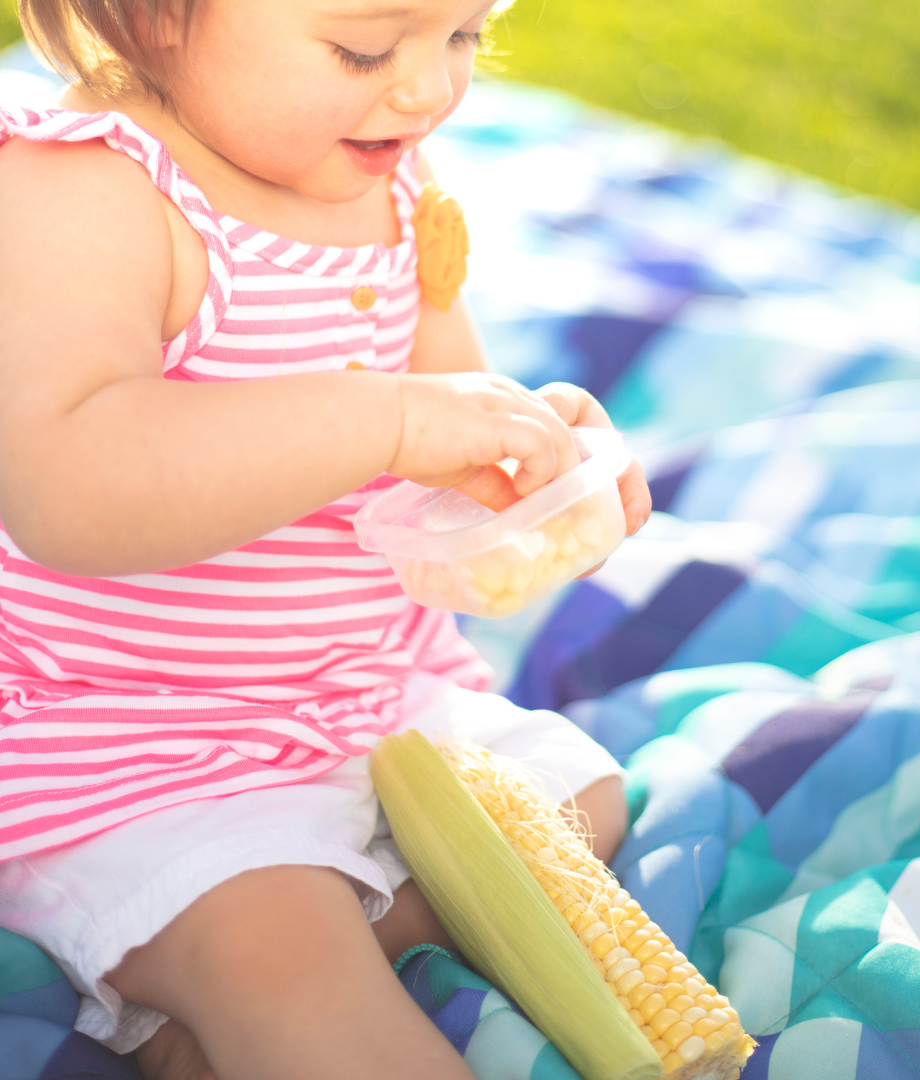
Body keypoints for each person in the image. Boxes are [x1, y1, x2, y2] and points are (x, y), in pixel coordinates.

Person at [0, 0, 652, 1077]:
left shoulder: (394, 180)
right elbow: (68, 489)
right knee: (282, 944)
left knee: (584, 801)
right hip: (130, 736)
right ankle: (265, 983)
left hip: (363, 690)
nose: (428, 91)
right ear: (161, 14)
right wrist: (383, 420)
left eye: (465, 38)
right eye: (363, 48)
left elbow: (452, 424)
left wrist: (537, 459)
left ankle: (204, 1010)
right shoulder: (82, 192)